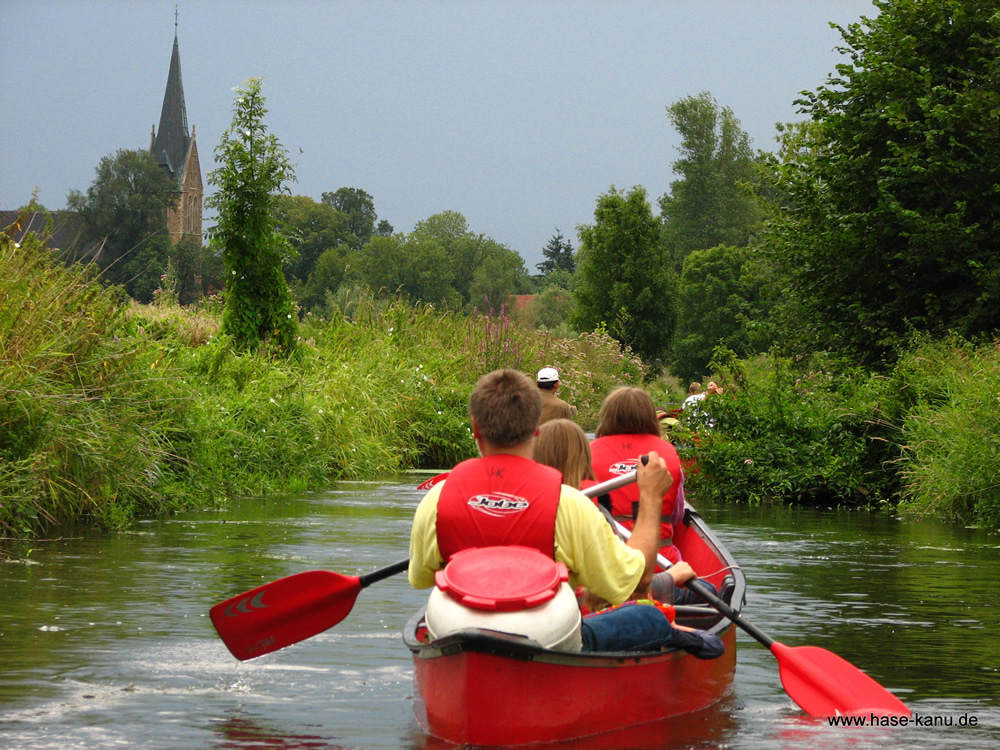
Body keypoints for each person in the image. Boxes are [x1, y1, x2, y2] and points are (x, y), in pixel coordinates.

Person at [408, 369, 722, 657]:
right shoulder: (570, 504)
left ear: (475, 427)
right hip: (548, 638)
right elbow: (631, 581)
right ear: (535, 430)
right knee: (649, 616)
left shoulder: (437, 499)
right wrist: (651, 498)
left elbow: (421, 577)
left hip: (455, 631)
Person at [533, 418, 714, 610]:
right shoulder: (591, 508)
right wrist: (671, 577)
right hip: (592, 610)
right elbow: (626, 588)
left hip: (552, 610)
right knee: (706, 590)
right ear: (584, 457)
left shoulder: (531, 507)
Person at [590, 387, 685, 565]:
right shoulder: (667, 452)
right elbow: (677, 516)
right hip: (661, 565)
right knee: (707, 587)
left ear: (607, 417)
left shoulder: (588, 453)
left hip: (605, 567)